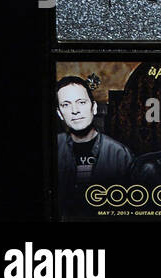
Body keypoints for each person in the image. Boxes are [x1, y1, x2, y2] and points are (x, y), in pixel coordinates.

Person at [54, 76, 135, 215]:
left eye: (81, 102)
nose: (75, 110)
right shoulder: (54, 147)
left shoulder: (120, 153)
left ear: (94, 107)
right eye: (66, 105)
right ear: (60, 114)